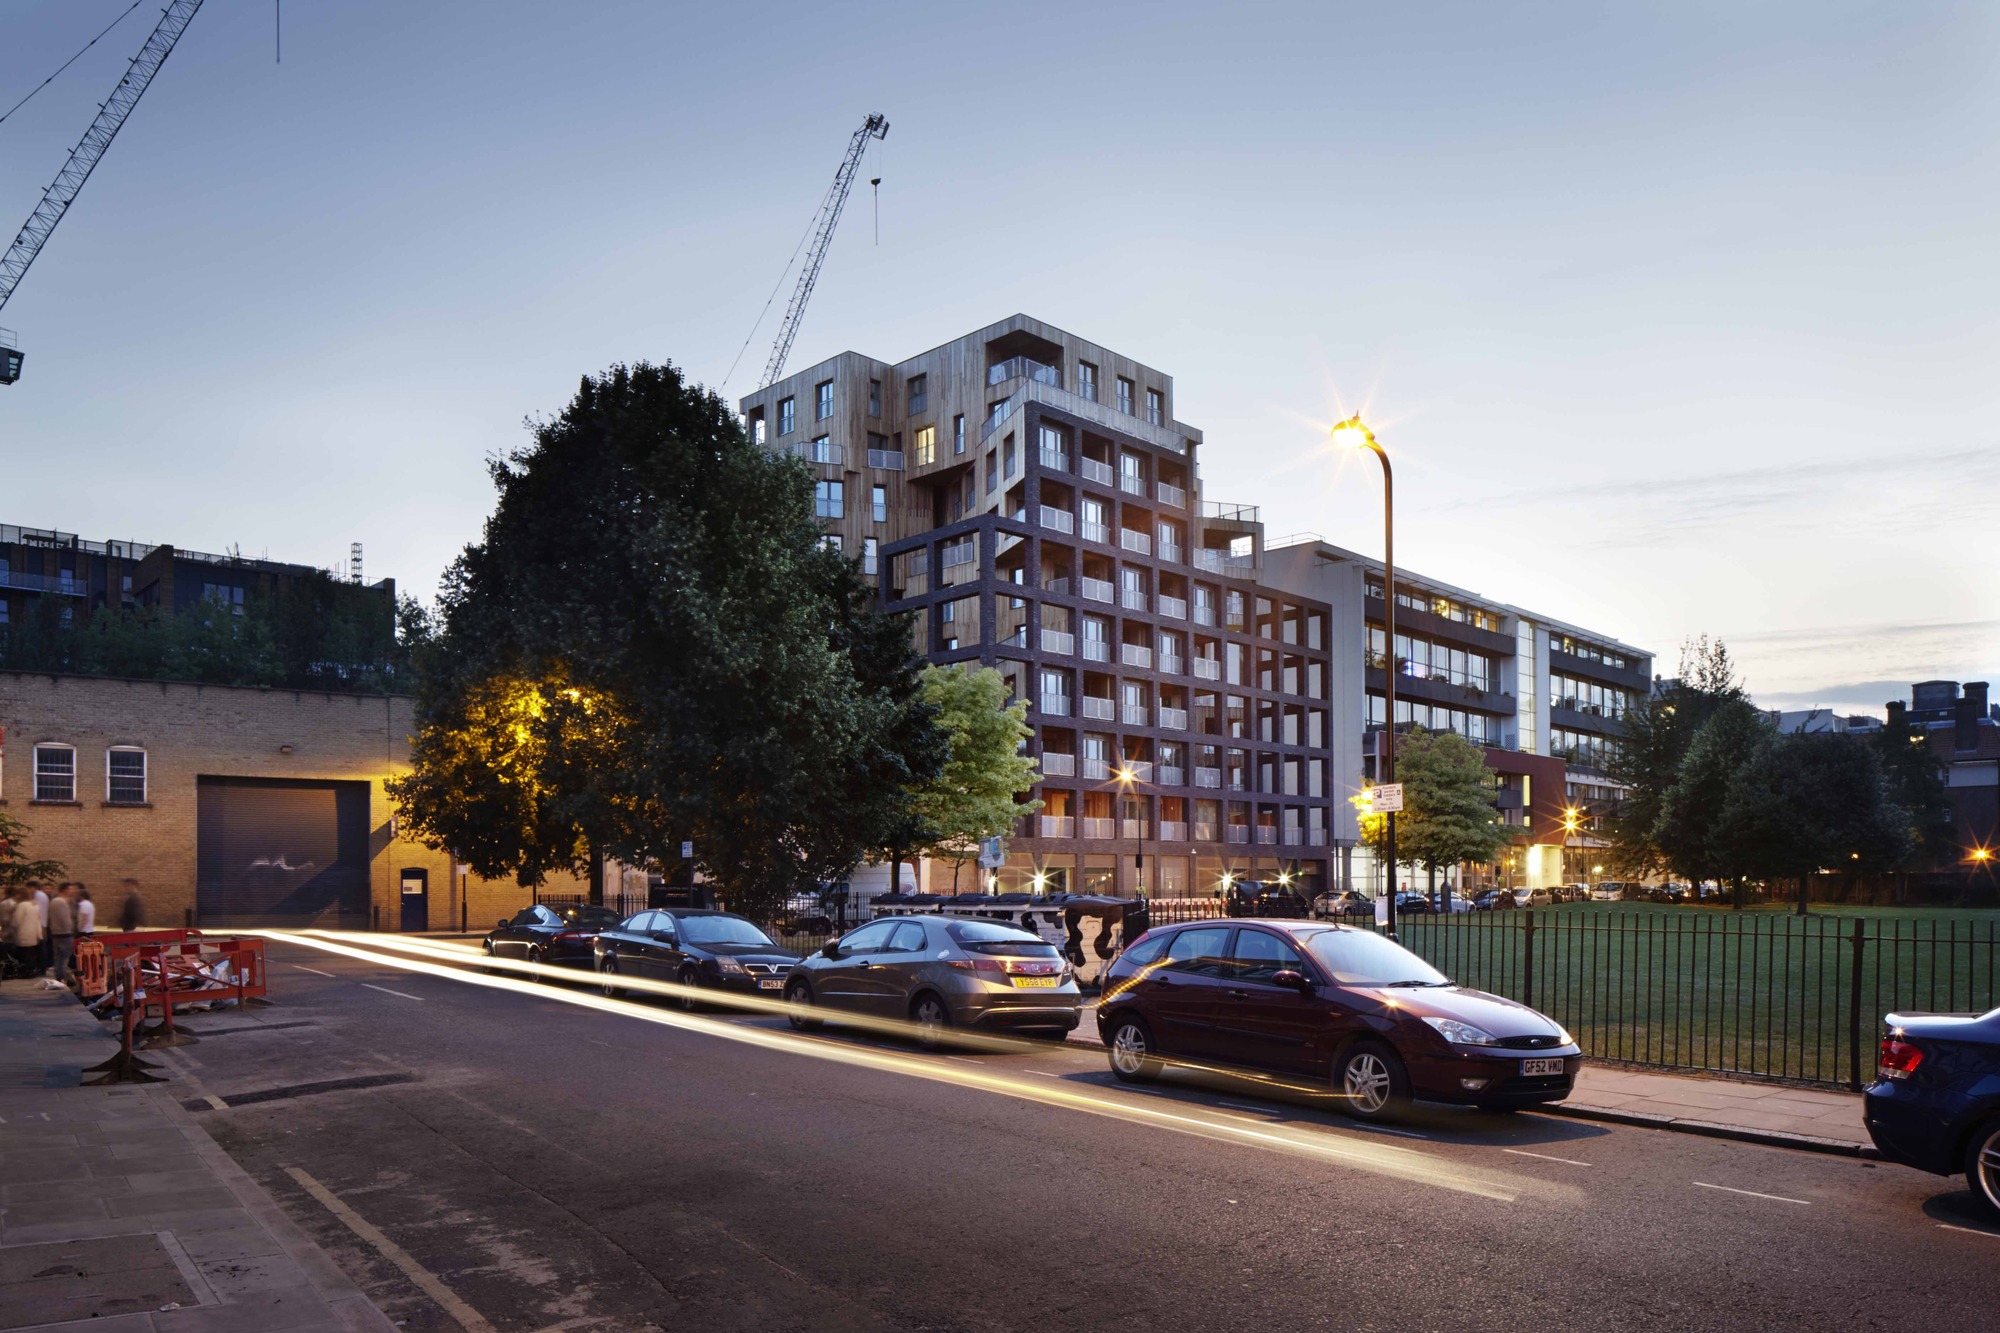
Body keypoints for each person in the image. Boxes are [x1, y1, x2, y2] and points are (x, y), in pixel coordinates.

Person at [11, 885, 45, 977]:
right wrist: (39, 935)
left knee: (24, 955)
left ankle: (26, 972)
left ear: (19, 895)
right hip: (33, 934)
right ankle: (31, 971)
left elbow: (16, 921)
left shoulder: (22, 905)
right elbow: (39, 921)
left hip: (23, 933)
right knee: (31, 954)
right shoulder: (35, 905)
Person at [48, 884, 76, 986]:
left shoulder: (54, 901)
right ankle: (64, 977)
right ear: (64, 890)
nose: (72, 891)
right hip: (64, 933)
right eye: (70, 889)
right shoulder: (61, 902)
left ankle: (59, 977)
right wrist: (70, 929)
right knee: (64, 957)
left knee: (58, 957)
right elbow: (65, 919)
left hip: (56, 932)